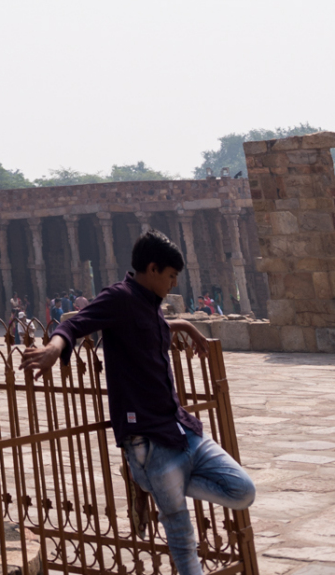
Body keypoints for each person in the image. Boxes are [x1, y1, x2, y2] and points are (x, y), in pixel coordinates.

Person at [25, 230, 254, 575]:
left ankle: (144, 480)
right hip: (148, 438)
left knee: (242, 490)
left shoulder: (149, 304)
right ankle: (148, 476)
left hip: (181, 429)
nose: (173, 284)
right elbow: (74, 325)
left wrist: (185, 326)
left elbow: (149, 324)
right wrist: (52, 350)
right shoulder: (119, 297)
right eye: (171, 276)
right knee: (182, 538)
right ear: (152, 268)